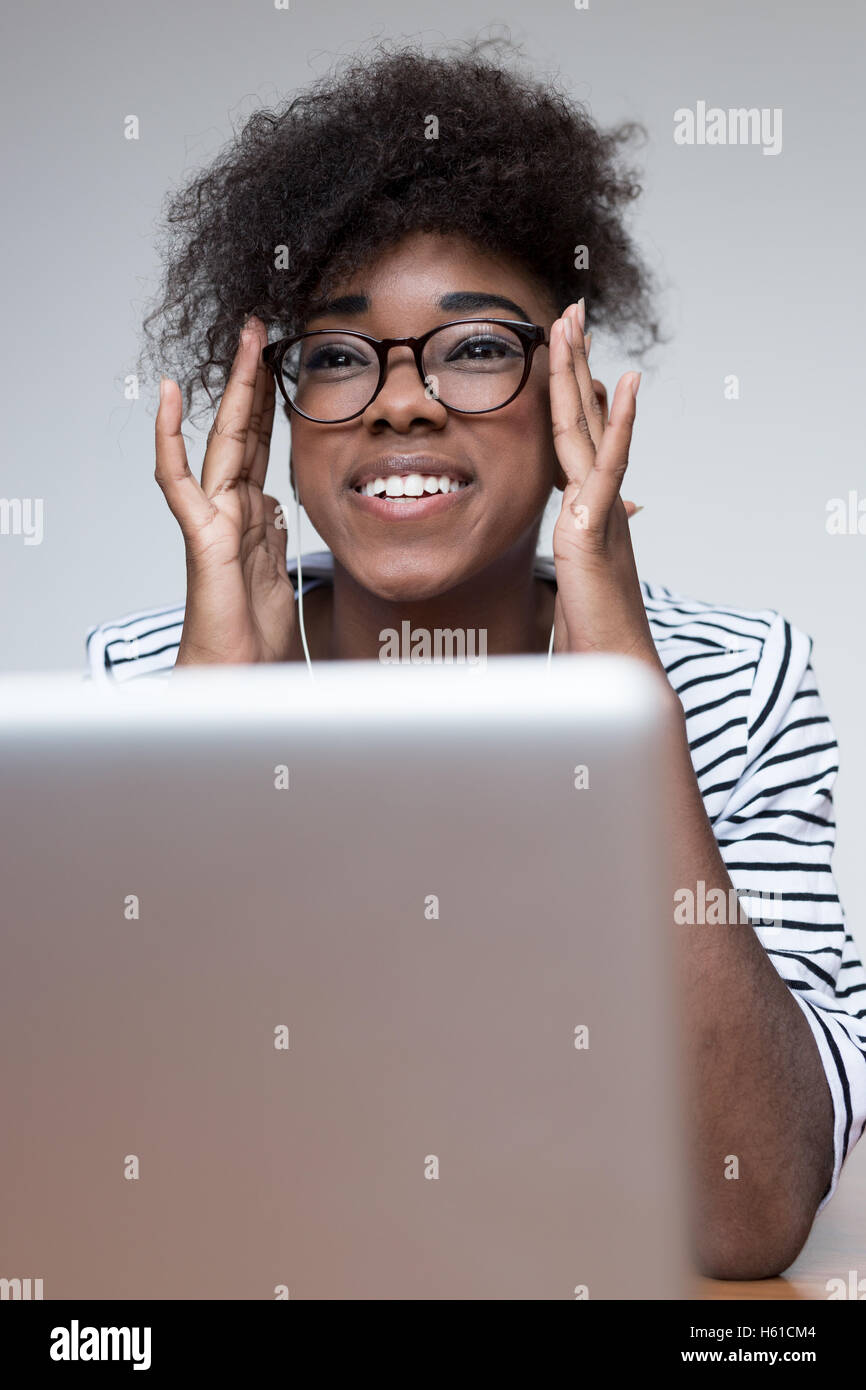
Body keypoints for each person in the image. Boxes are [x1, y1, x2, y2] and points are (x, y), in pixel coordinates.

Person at [86, 37, 866, 1280]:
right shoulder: (141, 687)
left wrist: (623, 702)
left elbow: (752, 1209)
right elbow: (119, 1191)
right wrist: (212, 742)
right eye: (336, 356)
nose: (399, 402)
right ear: (280, 416)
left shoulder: (740, 682)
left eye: (473, 347)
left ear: (573, 398)